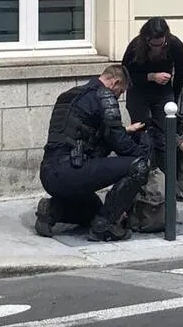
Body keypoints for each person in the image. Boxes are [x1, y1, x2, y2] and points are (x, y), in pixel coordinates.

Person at [35, 64, 151, 242]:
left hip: (49, 173)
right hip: (72, 171)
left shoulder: (69, 95)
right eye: (120, 92)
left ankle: (52, 210)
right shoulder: (104, 95)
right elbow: (119, 143)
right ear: (115, 82)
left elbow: (83, 136)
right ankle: (104, 227)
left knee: (95, 208)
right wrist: (142, 155)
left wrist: (123, 131)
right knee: (138, 166)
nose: (118, 96)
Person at [122, 17, 183, 170]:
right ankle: (142, 174)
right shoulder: (135, 46)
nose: (158, 48)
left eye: (161, 44)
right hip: (138, 89)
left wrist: (174, 98)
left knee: (166, 133)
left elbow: (179, 75)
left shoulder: (175, 45)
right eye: (153, 44)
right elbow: (125, 73)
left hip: (163, 91)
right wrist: (151, 76)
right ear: (146, 39)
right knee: (141, 132)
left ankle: (169, 180)